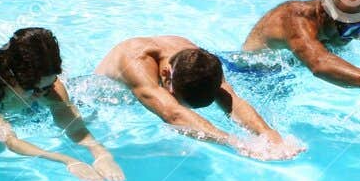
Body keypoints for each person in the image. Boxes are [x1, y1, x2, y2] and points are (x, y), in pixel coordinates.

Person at [0, 27, 125, 181]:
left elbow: (74, 128)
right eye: (33, 89)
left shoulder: (50, 87)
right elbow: (9, 141)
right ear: (10, 76)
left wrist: (102, 154)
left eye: (48, 85)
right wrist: (68, 160)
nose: (42, 93)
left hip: (24, 115)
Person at [95, 35, 302, 158]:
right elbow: (173, 114)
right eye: (177, 98)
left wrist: (269, 135)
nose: (180, 104)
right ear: (166, 75)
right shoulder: (135, 61)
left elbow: (233, 102)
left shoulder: (201, 62)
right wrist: (238, 143)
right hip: (100, 100)